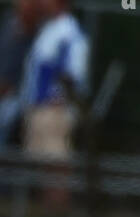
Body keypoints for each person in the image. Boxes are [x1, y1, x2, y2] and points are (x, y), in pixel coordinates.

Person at [20, 0, 89, 206]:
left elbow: (73, 72)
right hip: (40, 105)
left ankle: (58, 206)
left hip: (54, 109)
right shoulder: (50, 29)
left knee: (57, 158)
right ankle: (47, 204)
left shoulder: (69, 33)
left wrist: (58, 100)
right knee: (43, 159)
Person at [0, 0, 39, 157]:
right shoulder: (7, 23)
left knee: (1, 136)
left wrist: (12, 83)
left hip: (14, 96)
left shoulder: (34, 32)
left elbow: (28, 66)